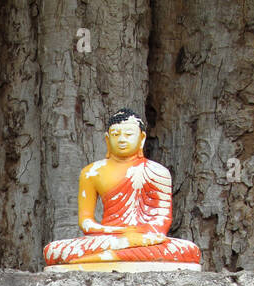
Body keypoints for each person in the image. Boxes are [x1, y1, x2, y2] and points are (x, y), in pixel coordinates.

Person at [43, 109, 201, 270]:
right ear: (107, 139)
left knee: (189, 250)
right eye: (116, 134)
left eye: (129, 134)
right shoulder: (91, 172)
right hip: (109, 238)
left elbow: (162, 220)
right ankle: (111, 256)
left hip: (146, 239)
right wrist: (117, 231)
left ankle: (103, 258)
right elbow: (86, 222)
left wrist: (139, 235)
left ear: (142, 139)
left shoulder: (157, 171)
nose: (122, 140)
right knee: (54, 250)